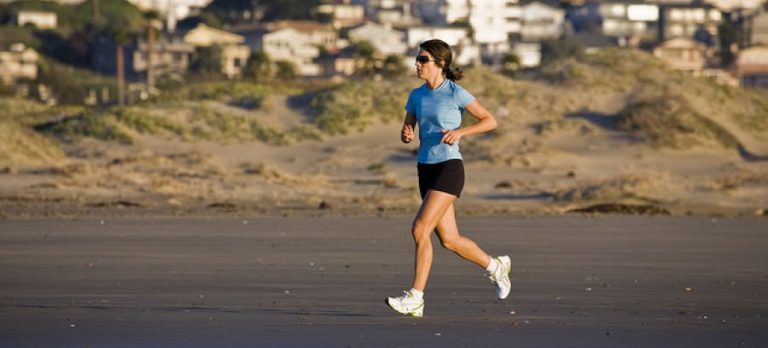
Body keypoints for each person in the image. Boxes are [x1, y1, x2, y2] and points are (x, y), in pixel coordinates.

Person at [385, 39, 511, 317]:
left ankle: (415, 297)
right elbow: (409, 127)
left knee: (420, 229)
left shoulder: (456, 93)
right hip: (425, 168)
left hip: (449, 168)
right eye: (417, 59)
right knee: (450, 240)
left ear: (440, 63)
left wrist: (461, 132)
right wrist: (406, 133)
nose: (417, 64)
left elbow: (490, 120)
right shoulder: (416, 96)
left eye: (423, 59)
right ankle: (494, 266)